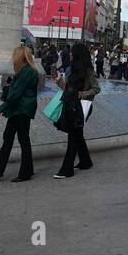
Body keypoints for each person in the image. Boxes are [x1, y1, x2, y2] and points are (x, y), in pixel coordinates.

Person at [0, 44, 39, 182]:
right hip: (19, 109)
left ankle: (22, 173)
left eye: (14, 56)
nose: (13, 59)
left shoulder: (26, 72)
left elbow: (16, 94)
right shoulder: (27, 70)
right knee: (12, 138)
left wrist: (0, 109)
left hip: (21, 109)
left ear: (19, 57)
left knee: (20, 140)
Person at [53, 42, 100, 179]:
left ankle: (66, 169)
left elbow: (96, 89)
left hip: (80, 107)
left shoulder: (88, 71)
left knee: (73, 136)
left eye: (73, 52)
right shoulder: (71, 69)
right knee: (77, 135)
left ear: (78, 54)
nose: (70, 54)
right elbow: (67, 89)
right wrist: (59, 81)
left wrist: (81, 94)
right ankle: (85, 162)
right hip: (70, 105)